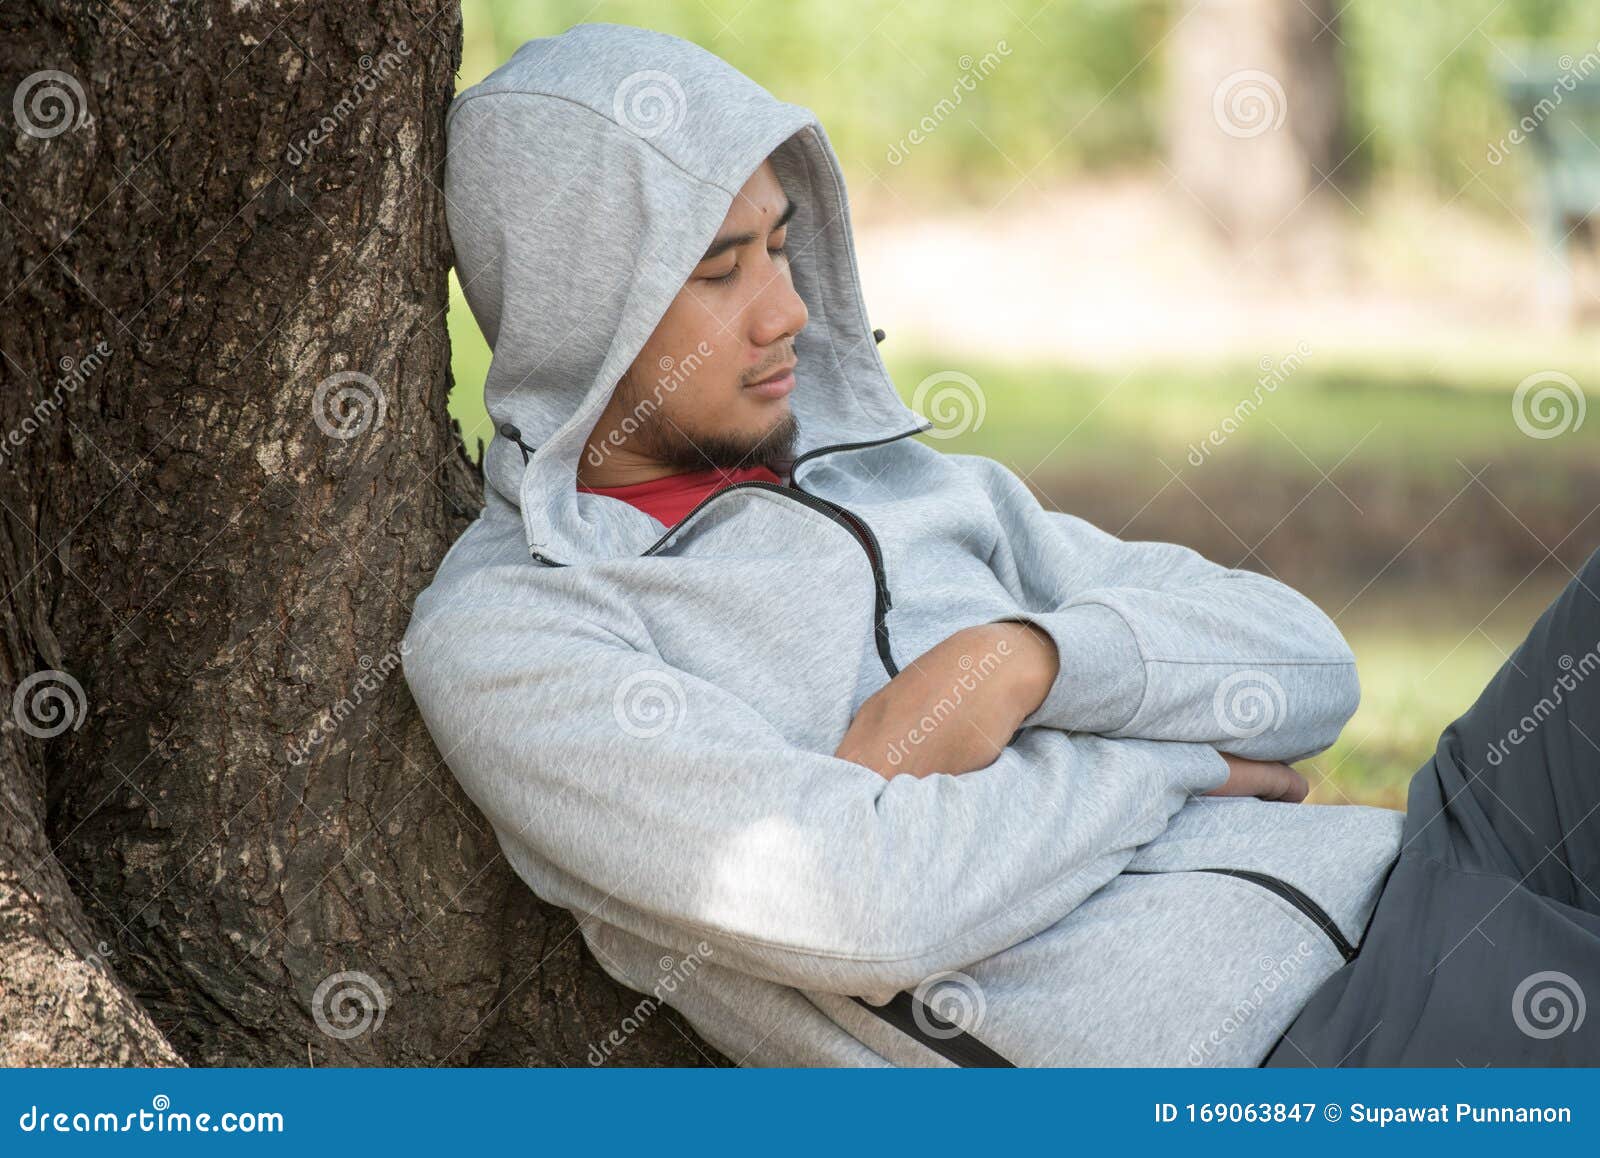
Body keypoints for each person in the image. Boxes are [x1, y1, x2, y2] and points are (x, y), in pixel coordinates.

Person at [402, 22, 1599, 1066]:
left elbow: (1301, 665)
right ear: (581, 314)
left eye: (779, 243)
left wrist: (1020, 665)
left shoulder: (899, 476)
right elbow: (867, 895)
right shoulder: (525, 632)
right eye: (721, 270)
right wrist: (1166, 760)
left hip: (1437, 852)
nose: (790, 309)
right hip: (1312, 1044)